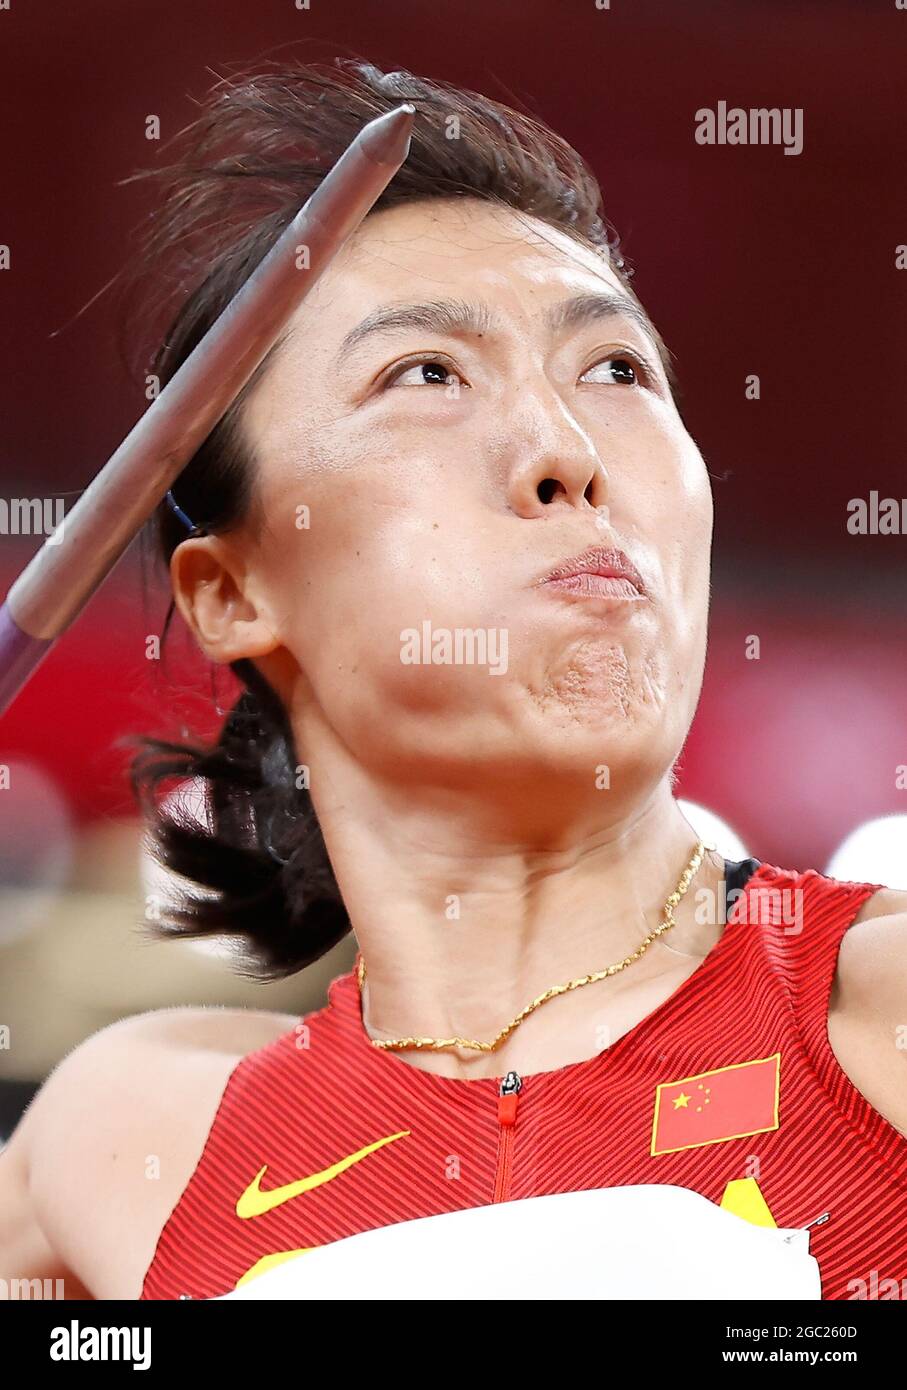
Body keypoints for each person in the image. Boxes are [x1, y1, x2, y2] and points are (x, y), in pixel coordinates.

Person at [1, 59, 905, 1303]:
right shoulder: (124, 1150)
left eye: (616, 371)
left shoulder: (877, 1020)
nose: (566, 453)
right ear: (233, 592)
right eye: (426, 373)